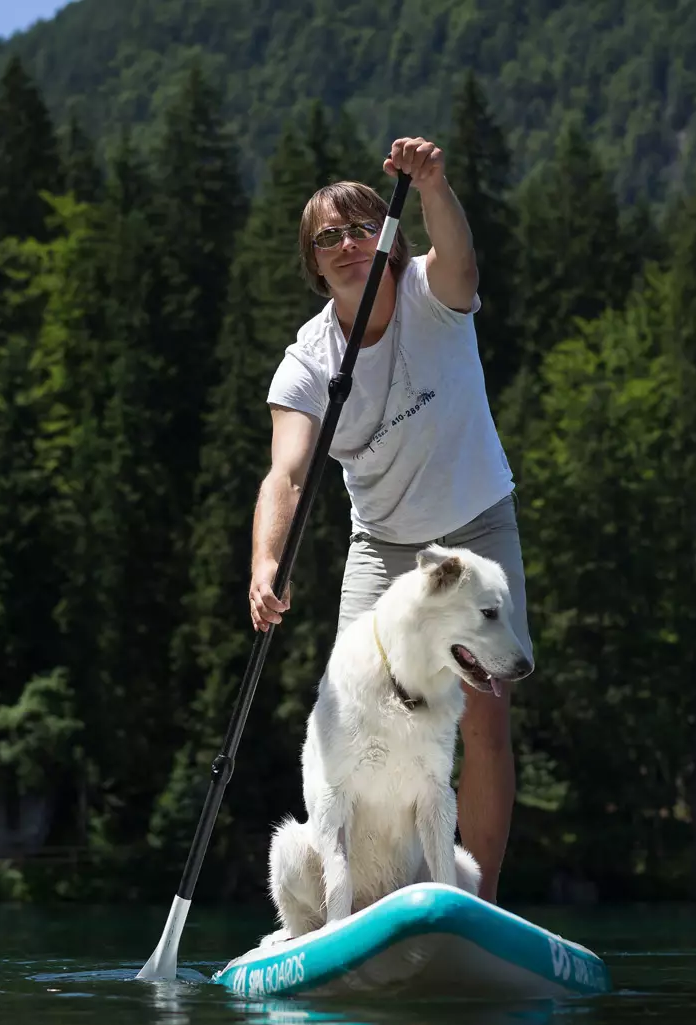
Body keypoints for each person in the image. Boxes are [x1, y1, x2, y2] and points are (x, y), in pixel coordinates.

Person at [248, 135, 533, 904]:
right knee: (353, 710)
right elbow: (288, 471)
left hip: (474, 525)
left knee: (482, 712)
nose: (347, 245)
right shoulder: (308, 360)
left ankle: (479, 902)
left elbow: (462, 261)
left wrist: (433, 182)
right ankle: (358, 902)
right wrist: (265, 565)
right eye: (328, 238)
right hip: (383, 546)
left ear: (393, 237)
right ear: (314, 262)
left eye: (362, 228)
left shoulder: (430, 292)